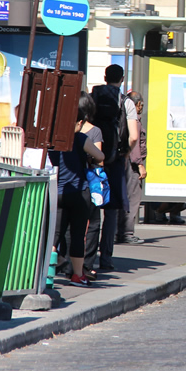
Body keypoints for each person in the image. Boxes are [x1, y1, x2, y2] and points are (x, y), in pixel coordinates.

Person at [49, 92, 105, 287]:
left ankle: (46, 274)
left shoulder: (51, 140)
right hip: (79, 193)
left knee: (53, 235)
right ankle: (78, 275)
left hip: (57, 192)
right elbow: (100, 156)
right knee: (77, 235)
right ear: (79, 122)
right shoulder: (80, 139)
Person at [90, 64, 139, 268]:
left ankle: (87, 257)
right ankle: (106, 258)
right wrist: (126, 152)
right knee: (110, 211)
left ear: (105, 77)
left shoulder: (93, 97)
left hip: (93, 158)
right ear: (122, 78)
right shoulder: (126, 102)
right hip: (115, 160)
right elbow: (134, 136)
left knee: (91, 208)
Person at [119, 91, 146, 244]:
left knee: (124, 197)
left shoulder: (125, 119)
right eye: (141, 104)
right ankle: (127, 233)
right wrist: (140, 165)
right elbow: (135, 143)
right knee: (133, 198)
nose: (141, 107)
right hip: (132, 164)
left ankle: (119, 232)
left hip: (125, 161)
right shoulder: (134, 121)